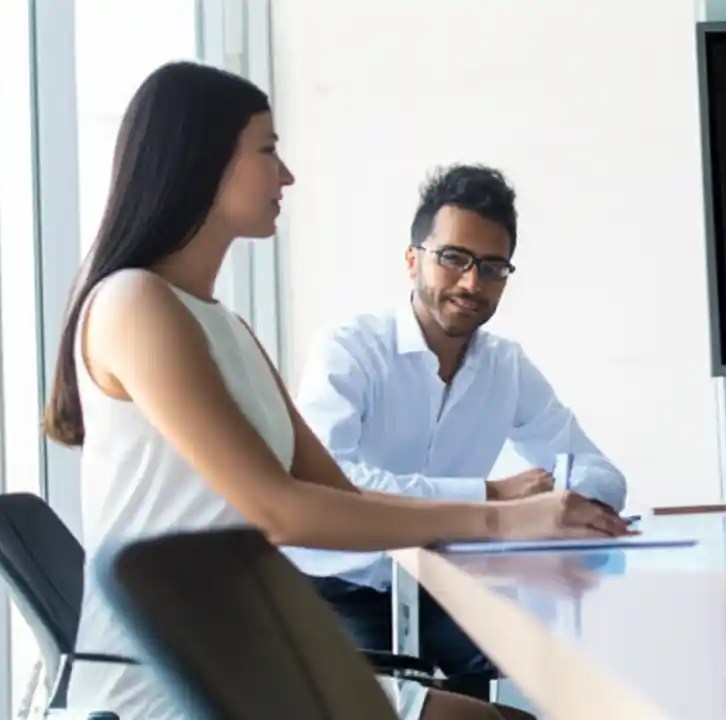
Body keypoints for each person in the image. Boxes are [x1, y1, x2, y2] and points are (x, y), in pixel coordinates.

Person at [49, 61, 625, 720]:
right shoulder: (135, 304)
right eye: (267, 150)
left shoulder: (226, 328)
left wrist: (509, 520)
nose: (286, 174)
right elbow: (281, 512)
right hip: (172, 685)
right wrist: (499, 515)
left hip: (247, 663)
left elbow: (339, 496)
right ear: (202, 160)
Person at [284, 164, 627, 677]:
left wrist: (564, 496)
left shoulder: (505, 366)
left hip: (442, 583)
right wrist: (491, 496)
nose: (472, 282)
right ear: (412, 260)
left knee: (555, 673)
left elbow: (600, 472)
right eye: (453, 259)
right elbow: (334, 483)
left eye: (492, 267)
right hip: (340, 586)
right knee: (392, 703)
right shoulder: (349, 349)